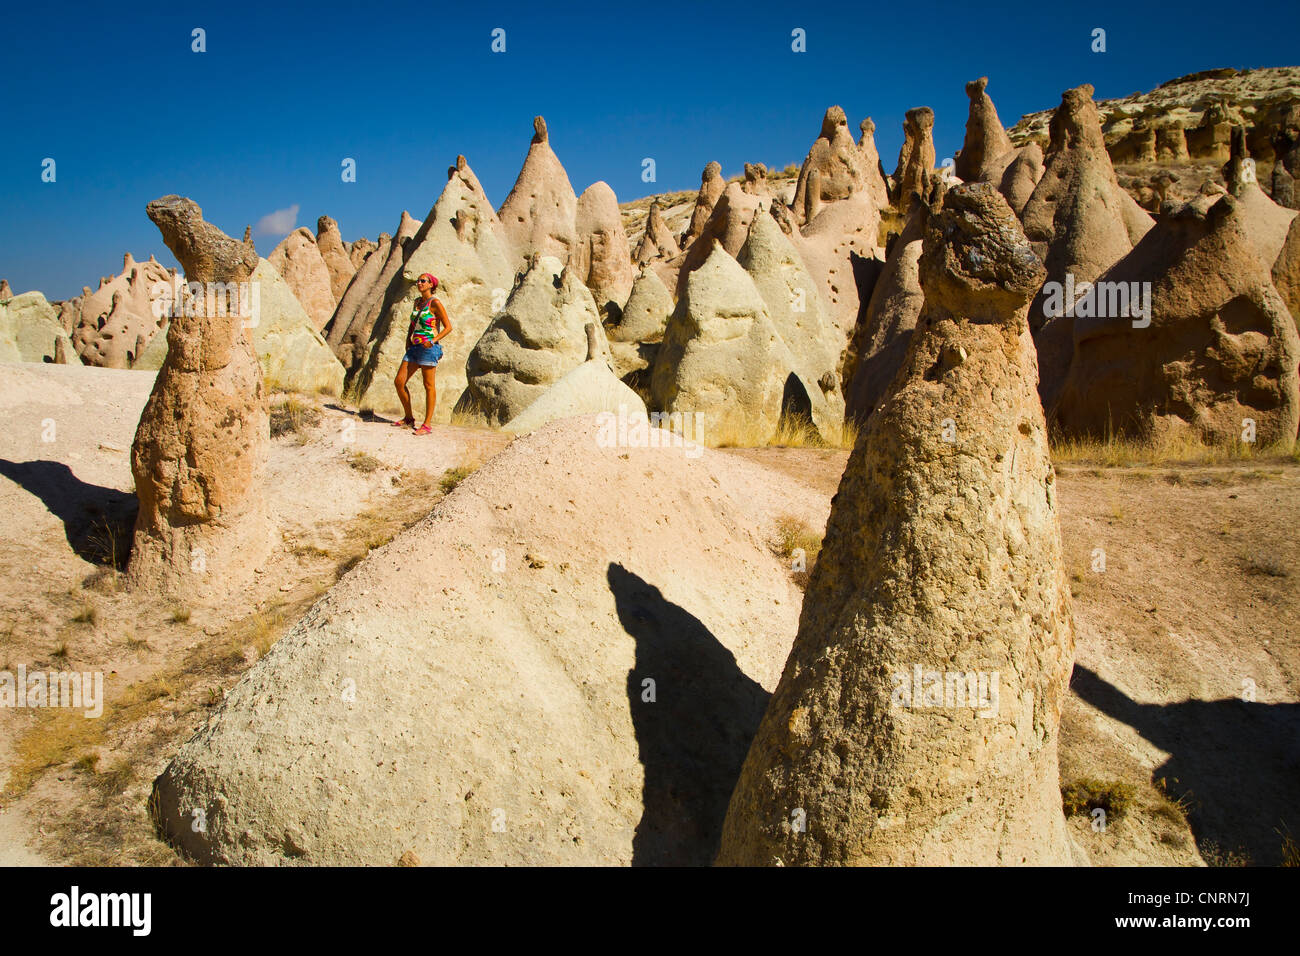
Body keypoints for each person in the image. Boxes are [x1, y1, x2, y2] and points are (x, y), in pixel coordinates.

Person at [393, 273, 452, 435]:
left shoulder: (435, 303)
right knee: (399, 381)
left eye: (423, 281)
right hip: (414, 348)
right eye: (418, 281)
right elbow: (412, 325)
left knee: (428, 385)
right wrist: (407, 339)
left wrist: (433, 341)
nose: (419, 283)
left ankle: (426, 425)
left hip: (428, 348)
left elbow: (448, 327)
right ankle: (409, 418)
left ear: (431, 285)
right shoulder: (417, 302)